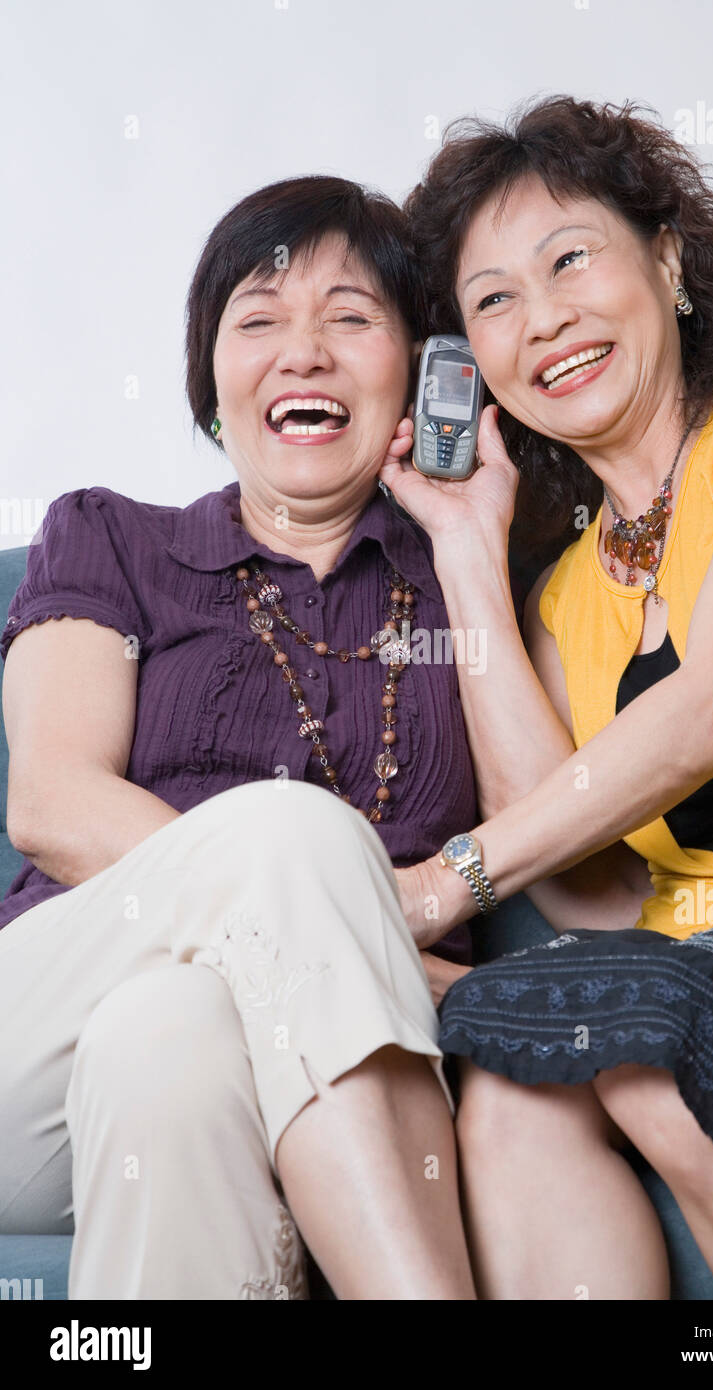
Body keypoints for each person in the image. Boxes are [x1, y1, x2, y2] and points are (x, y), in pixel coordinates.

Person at [378, 96, 713, 1300]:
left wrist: (446, 882)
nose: (541, 318)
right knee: (517, 1075)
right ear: (470, 366)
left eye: (569, 259)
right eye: (491, 301)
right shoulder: (557, 603)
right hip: (693, 966)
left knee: (634, 1023)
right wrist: (463, 551)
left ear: (666, 255)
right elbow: (594, 893)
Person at [0, 175, 479, 1300]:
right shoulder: (110, 537)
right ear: (211, 383)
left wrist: (467, 545)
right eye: (257, 321)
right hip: (32, 1045)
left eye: (350, 318)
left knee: (170, 1042)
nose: (300, 352)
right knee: (287, 836)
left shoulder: (473, 593)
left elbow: (565, 848)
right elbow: (52, 802)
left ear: (418, 371)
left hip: (227, 1074)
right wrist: (347, 943)